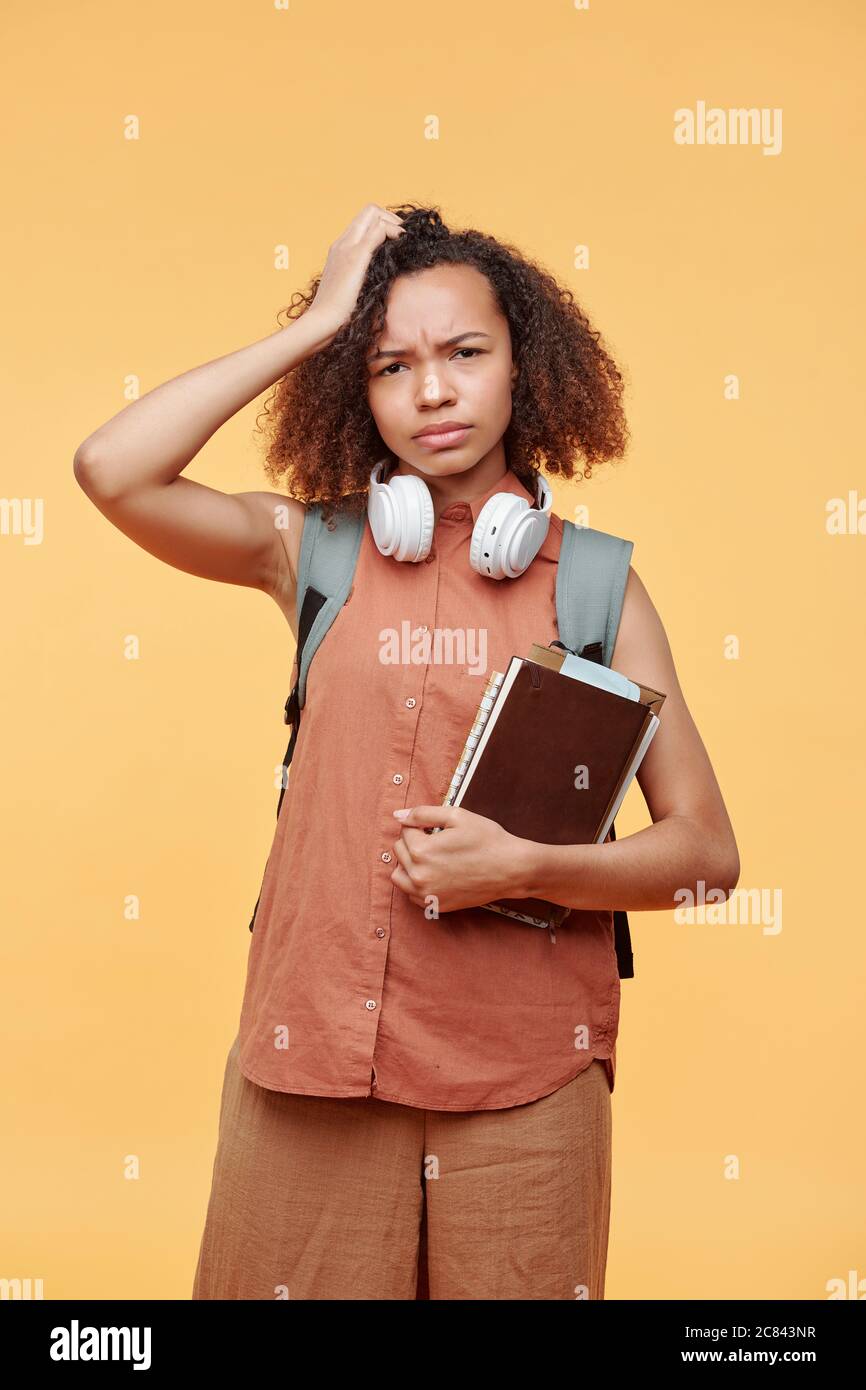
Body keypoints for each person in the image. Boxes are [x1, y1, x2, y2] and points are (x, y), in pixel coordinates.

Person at [73, 202, 740, 1300]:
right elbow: (111, 470)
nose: (430, 391)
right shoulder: (314, 553)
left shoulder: (595, 588)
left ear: (524, 369)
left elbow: (708, 857)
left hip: (522, 1086)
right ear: (358, 388)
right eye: (388, 364)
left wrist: (523, 867)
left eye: (465, 354)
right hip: (309, 1060)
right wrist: (315, 323)